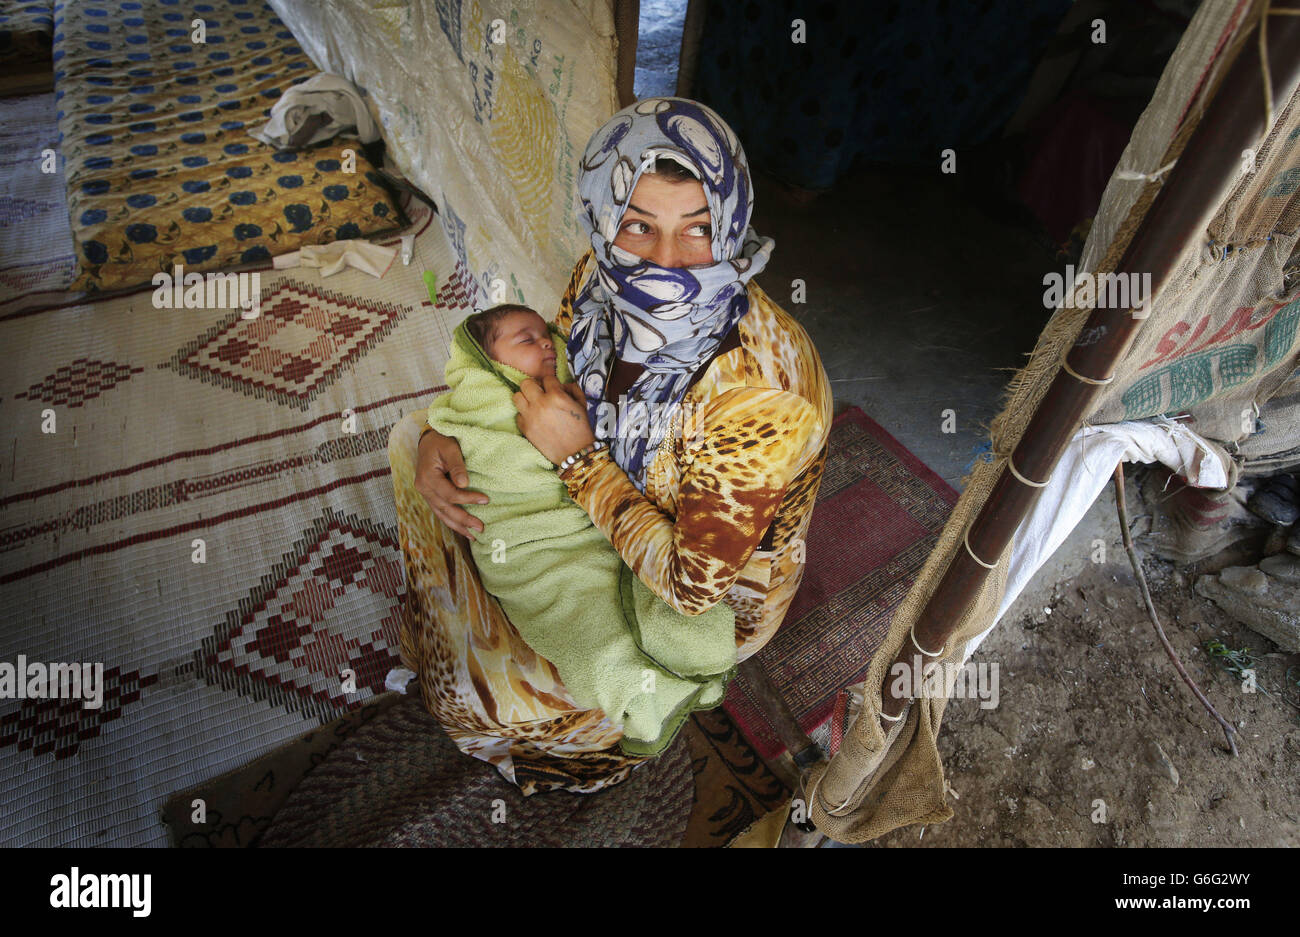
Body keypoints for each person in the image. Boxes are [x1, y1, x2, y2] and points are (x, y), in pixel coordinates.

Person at [400, 97, 832, 794]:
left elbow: (694, 590)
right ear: (603, 220)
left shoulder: (758, 402)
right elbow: (546, 366)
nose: (667, 264)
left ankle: (604, 746)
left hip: (705, 595)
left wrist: (577, 462)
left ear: (734, 221)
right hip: (597, 505)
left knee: (497, 686)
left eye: (699, 230)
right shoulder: (599, 281)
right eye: (638, 225)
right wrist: (439, 433)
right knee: (415, 454)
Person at [424, 303, 736, 757]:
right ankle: (644, 705)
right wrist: (432, 437)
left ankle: (695, 664)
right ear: (484, 361)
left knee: (655, 604)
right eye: (525, 340)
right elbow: (471, 442)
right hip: (533, 547)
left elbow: (609, 435)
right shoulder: (478, 410)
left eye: (546, 334)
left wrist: (577, 443)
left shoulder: (581, 378)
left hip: (593, 524)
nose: (546, 344)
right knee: (588, 635)